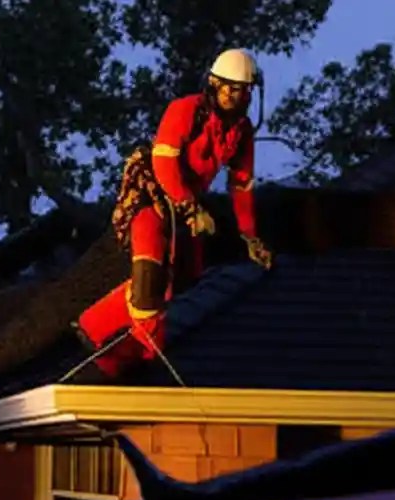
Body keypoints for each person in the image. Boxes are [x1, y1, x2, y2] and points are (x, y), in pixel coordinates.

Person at [74, 48, 274, 378]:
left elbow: (241, 186)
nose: (238, 97)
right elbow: (164, 164)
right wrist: (191, 208)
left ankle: (97, 326)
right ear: (214, 85)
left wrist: (249, 235)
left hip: (185, 205)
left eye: (245, 91)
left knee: (185, 276)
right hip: (151, 195)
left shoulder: (241, 132)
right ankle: (145, 352)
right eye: (232, 89)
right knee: (150, 273)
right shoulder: (185, 110)